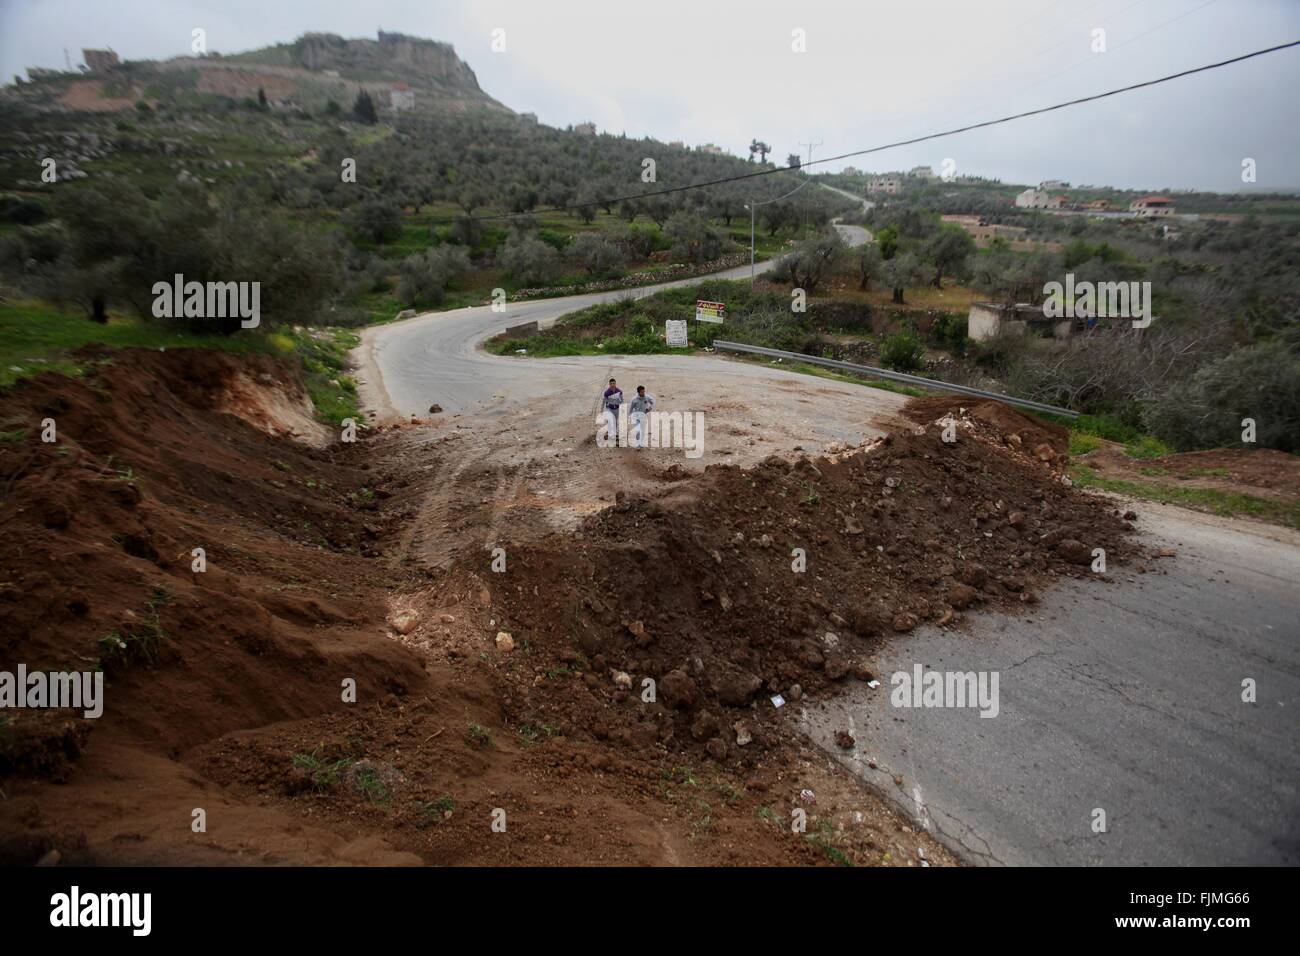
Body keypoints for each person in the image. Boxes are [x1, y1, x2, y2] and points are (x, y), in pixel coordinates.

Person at [600, 378, 624, 447]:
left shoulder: (619, 391)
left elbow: (622, 400)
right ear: (609, 384)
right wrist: (601, 410)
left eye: (614, 383)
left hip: (616, 408)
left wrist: (622, 407)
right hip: (609, 408)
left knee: (615, 421)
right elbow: (603, 401)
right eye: (611, 384)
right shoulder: (607, 392)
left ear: (615, 384)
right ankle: (611, 437)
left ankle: (614, 433)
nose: (613, 385)